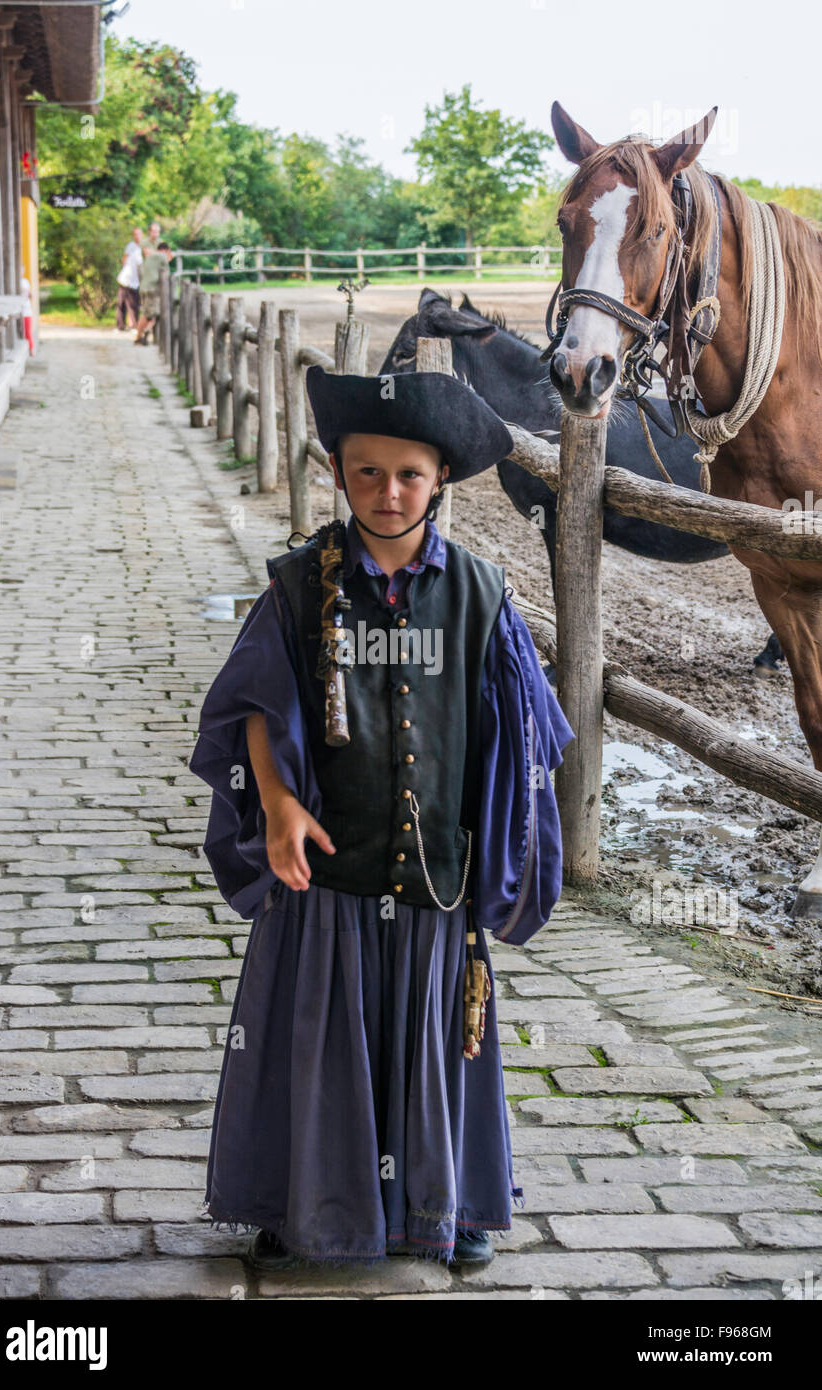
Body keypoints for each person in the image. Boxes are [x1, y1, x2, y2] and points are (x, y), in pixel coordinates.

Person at [189, 366, 575, 1272]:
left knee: (440, 1044)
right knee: (321, 1042)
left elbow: (520, 734)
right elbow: (253, 701)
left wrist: (503, 850)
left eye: (409, 473)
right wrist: (278, 804)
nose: (389, 491)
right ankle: (300, 1200)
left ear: (438, 478)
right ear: (338, 473)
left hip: (437, 879)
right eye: (368, 473)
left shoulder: (482, 593)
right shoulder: (294, 586)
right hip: (329, 876)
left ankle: (454, 1203)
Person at [134, 242, 172, 346]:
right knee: (152, 314)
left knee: (147, 313)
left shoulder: (150, 257)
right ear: (166, 250)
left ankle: (140, 335)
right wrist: (168, 259)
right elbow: (167, 272)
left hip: (144, 287)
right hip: (152, 289)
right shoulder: (161, 256)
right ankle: (144, 332)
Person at [115, 227, 143, 333]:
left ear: (142, 235)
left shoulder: (143, 247)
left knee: (134, 304)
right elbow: (124, 258)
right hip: (125, 278)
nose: (137, 236)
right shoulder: (130, 246)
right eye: (135, 234)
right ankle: (120, 325)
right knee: (121, 303)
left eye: (139, 234)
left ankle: (134, 325)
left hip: (135, 281)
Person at [20, 267, 35, 357]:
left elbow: (30, 294)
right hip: (20, 309)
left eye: (22, 269)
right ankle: (30, 349)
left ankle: (31, 349)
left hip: (26, 310)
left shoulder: (25, 281)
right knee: (23, 332)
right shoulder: (15, 282)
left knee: (27, 331)